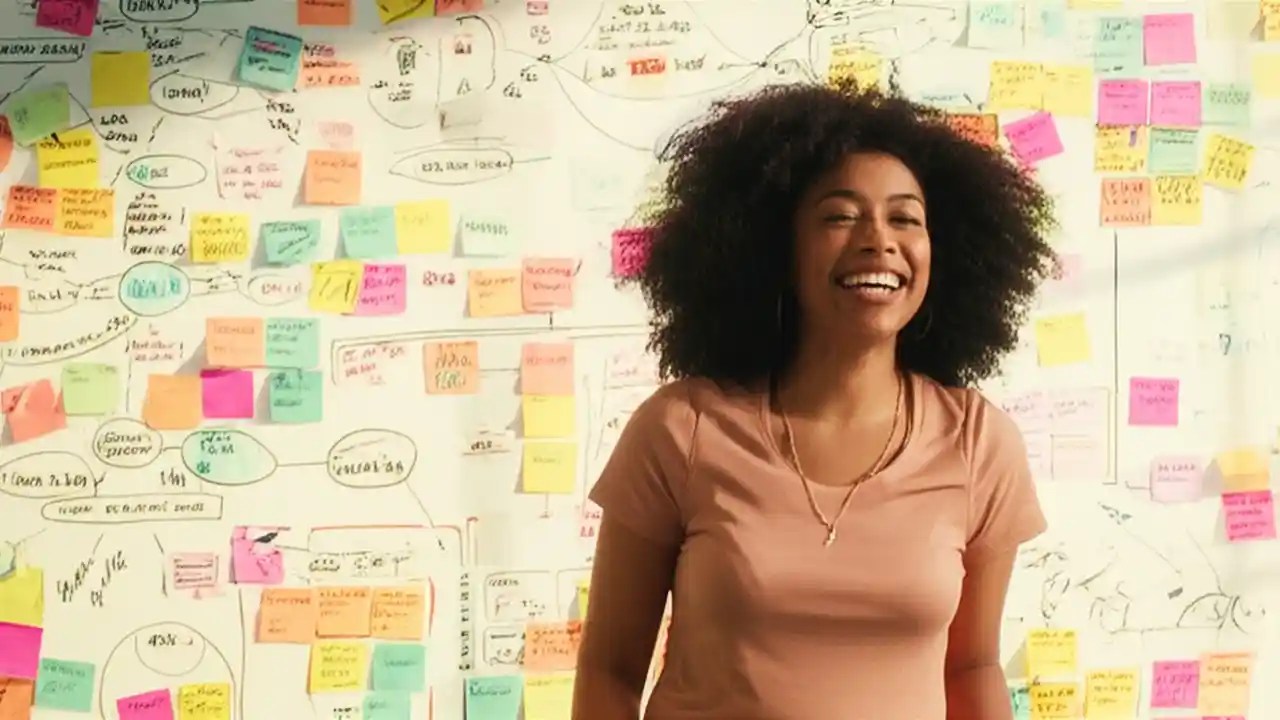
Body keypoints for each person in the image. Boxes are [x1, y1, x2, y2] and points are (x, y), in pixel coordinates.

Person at [572, 79, 1057, 720]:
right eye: (840, 215)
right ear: (779, 248)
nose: (878, 239)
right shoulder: (682, 429)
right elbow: (611, 668)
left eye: (905, 218)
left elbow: (972, 667)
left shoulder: (977, 443)